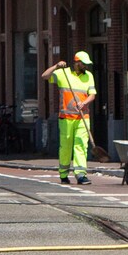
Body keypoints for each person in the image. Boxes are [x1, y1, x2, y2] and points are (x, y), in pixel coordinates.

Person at [44, 50, 96, 186]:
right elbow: (45, 76)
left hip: (82, 117)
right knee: (65, 147)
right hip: (66, 118)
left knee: (81, 145)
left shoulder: (89, 76)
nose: (85, 66)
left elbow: (92, 94)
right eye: (83, 64)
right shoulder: (63, 73)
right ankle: (63, 174)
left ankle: (81, 175)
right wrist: (56, 66)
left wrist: (84, 103)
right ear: (77, 63)